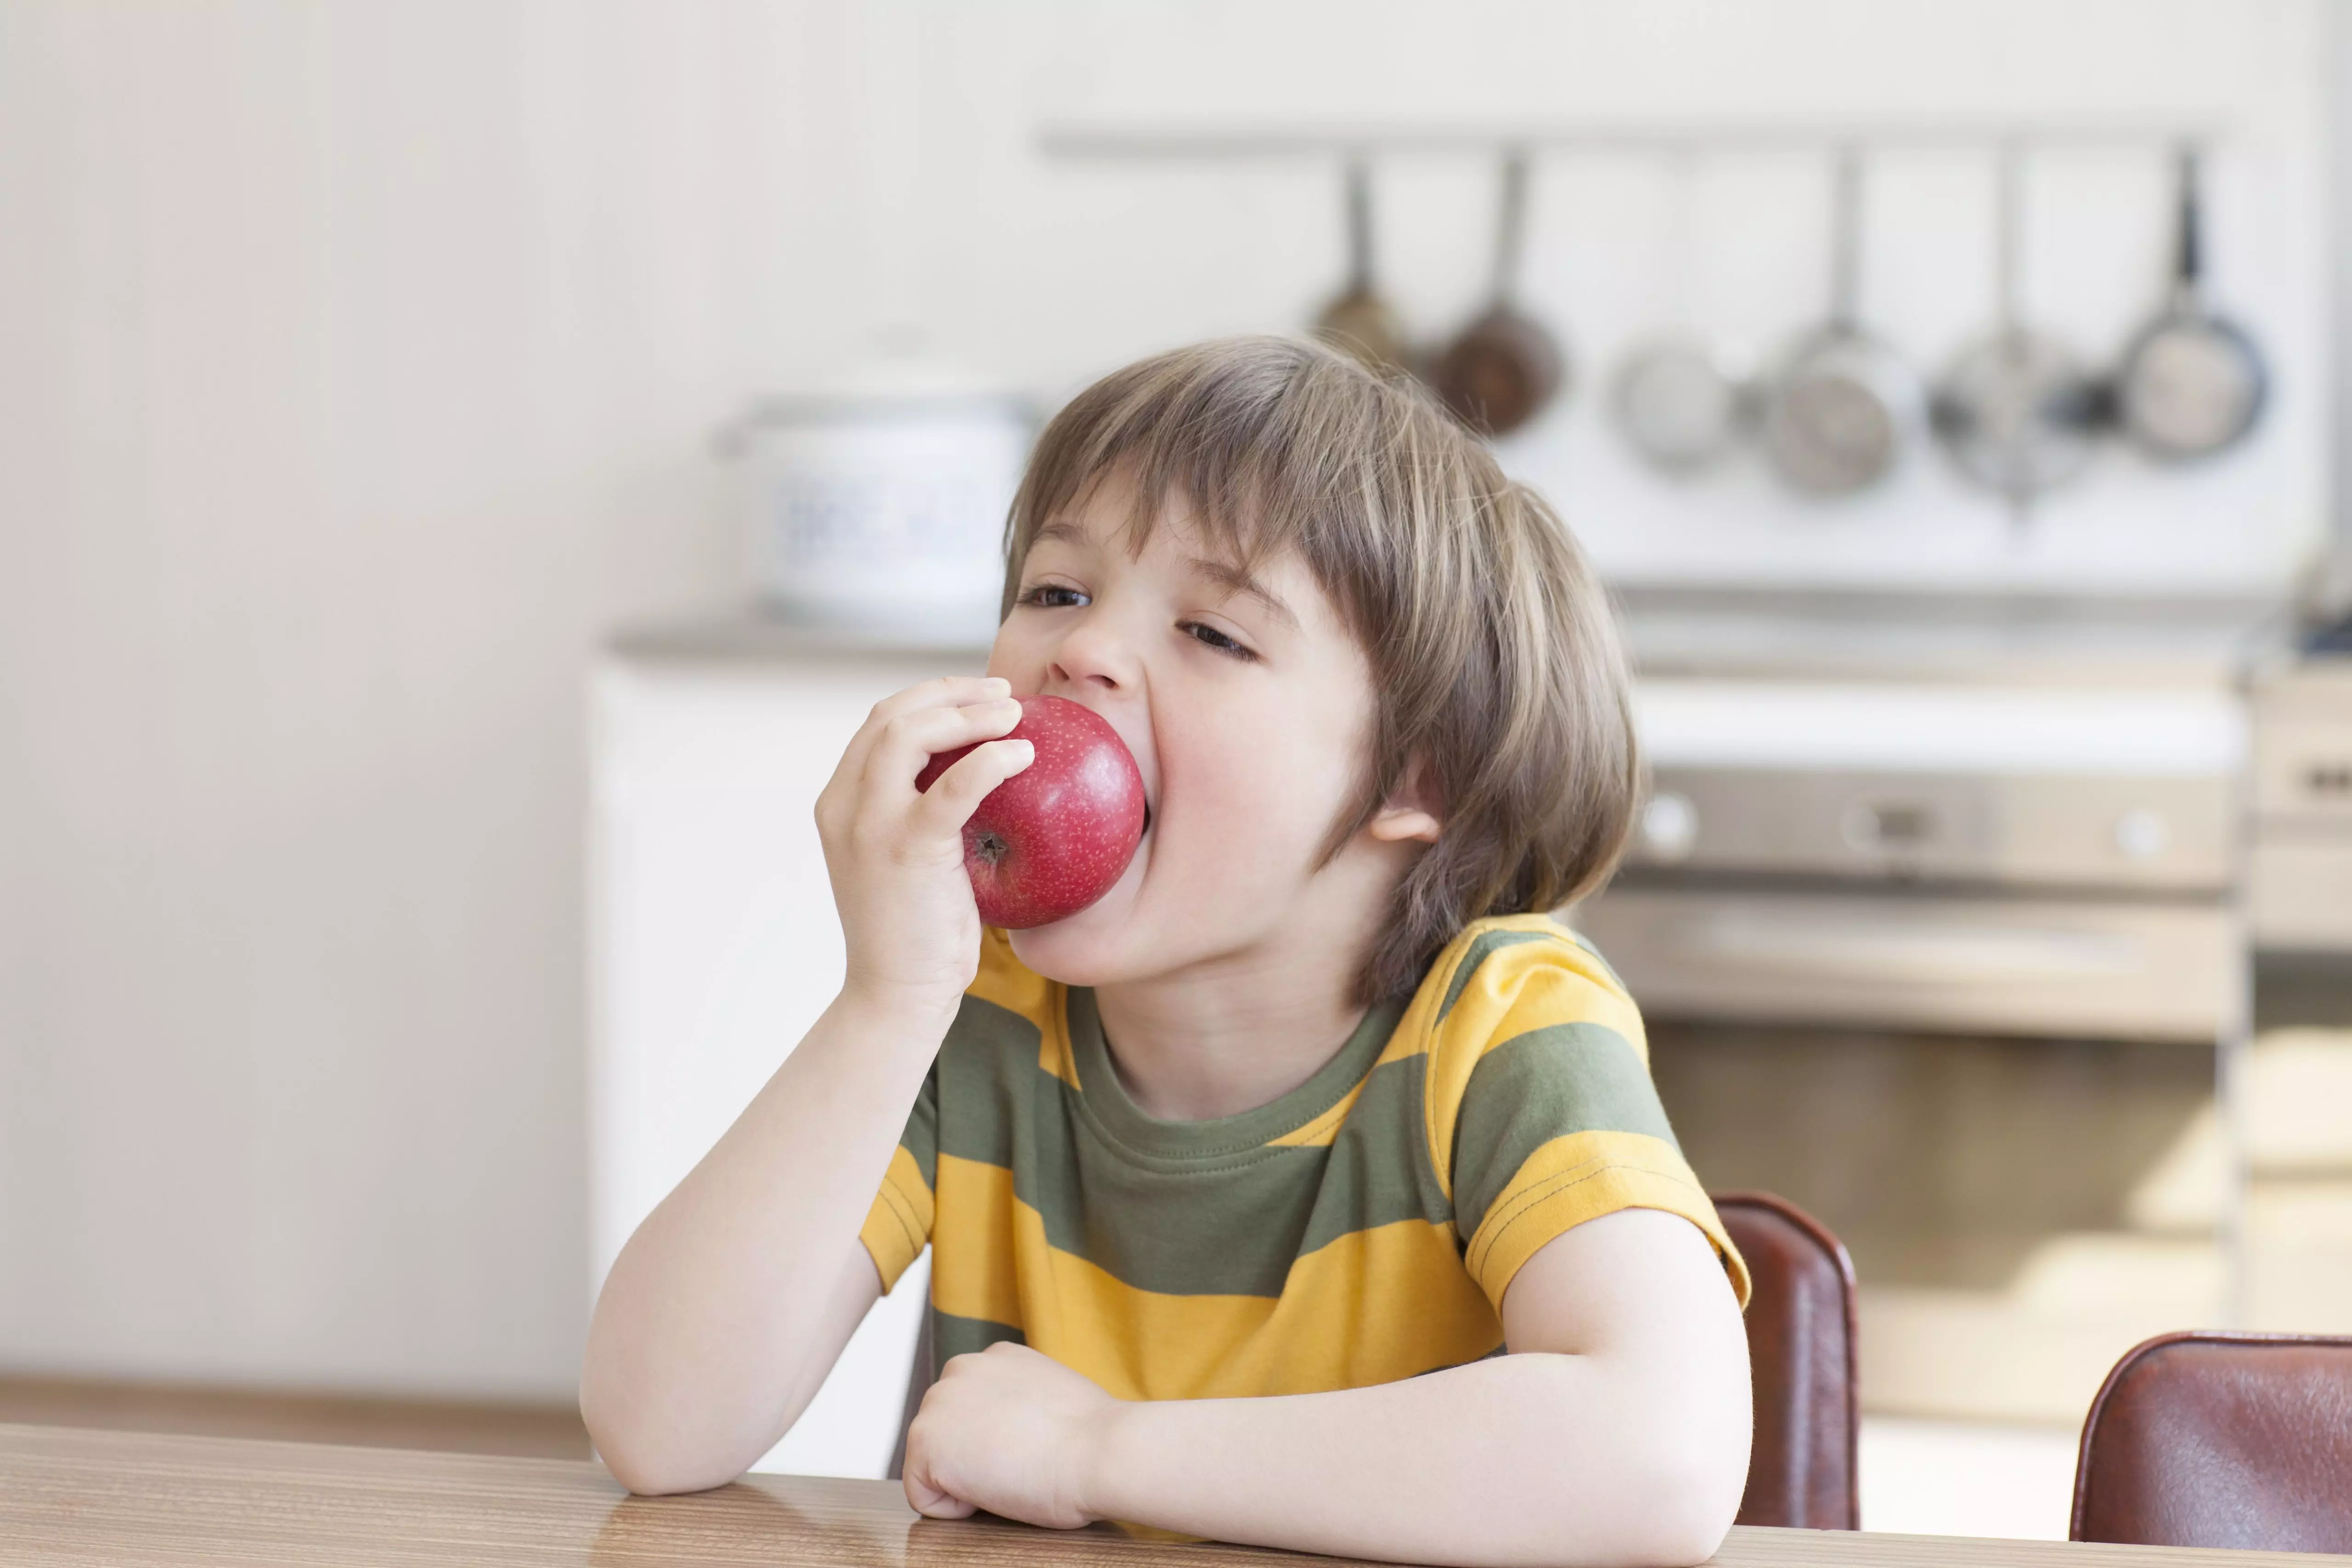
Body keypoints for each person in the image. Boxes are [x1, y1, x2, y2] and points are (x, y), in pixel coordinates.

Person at [580, 337, 1754, 1566]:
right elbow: (659, 1428)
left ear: (1420, 775)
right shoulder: (978, 1007)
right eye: (1056, 592)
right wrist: (887, 996)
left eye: (1213, 631)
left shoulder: (1502, 1029)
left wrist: (1098, 1450)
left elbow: (1659, 1455)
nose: (1079, 654)